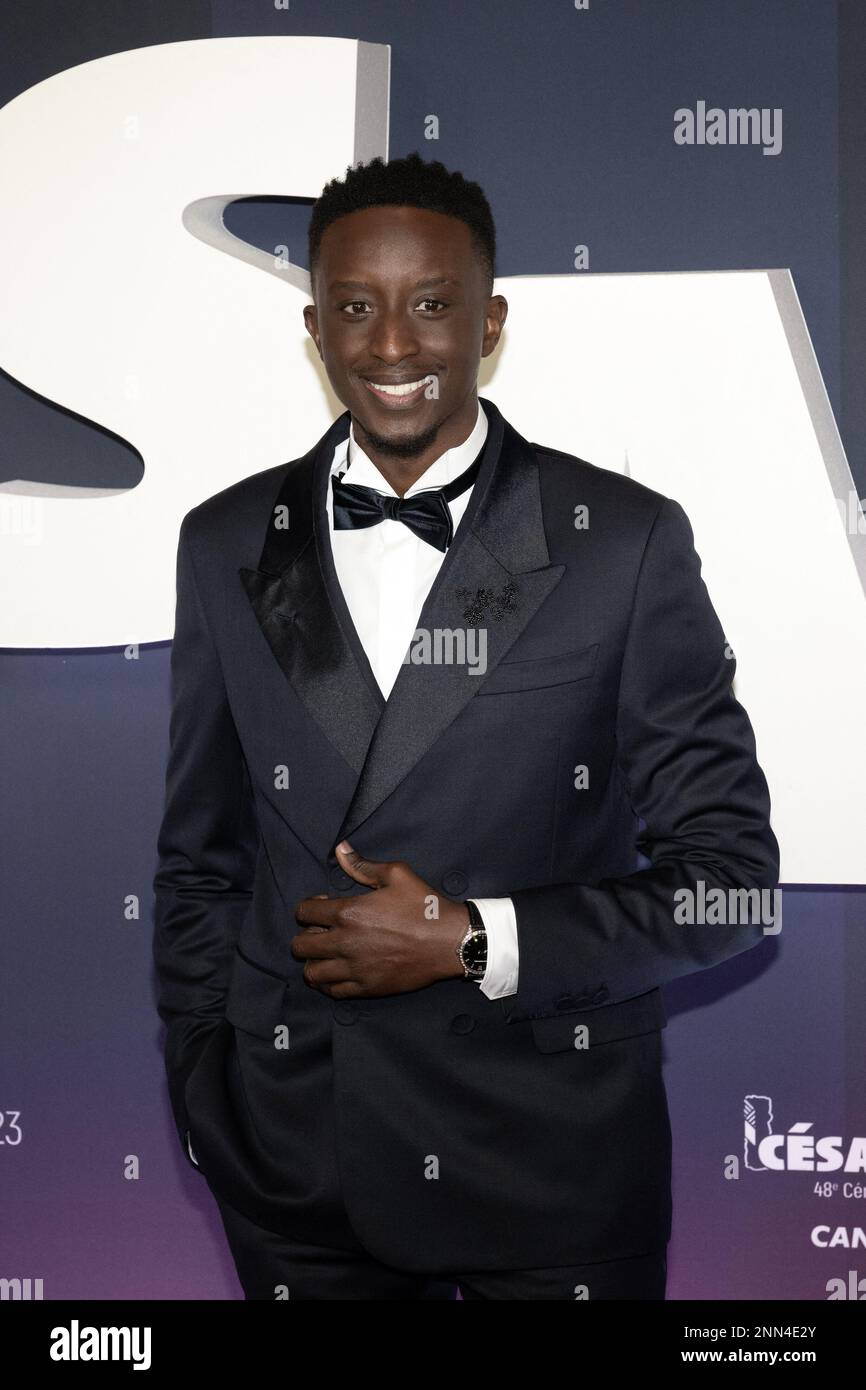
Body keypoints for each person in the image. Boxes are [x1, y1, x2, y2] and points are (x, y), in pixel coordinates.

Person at [152, 152, 779, 1300]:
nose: (392, 345)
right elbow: (201, 859)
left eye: (431, 305)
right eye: (355, 306)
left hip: (545, 1177)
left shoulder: (618, 542)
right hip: (297, 1176)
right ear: (313, 327)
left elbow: (731, 885)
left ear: (488, 322)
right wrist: (205, 1094)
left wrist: (472, 939)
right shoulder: (225, 541)